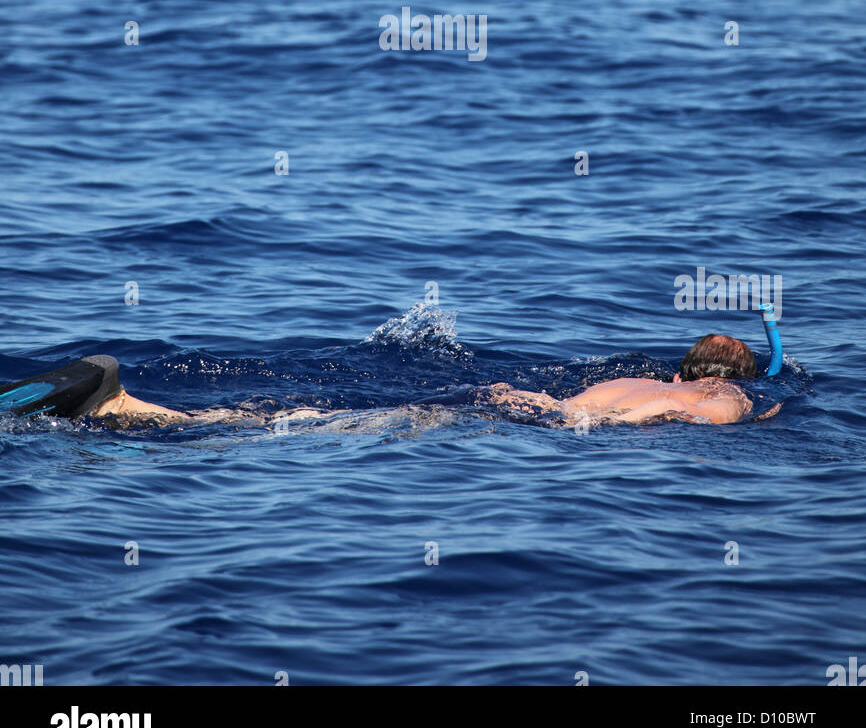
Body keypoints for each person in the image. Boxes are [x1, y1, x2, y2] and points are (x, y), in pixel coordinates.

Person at [1, 333, 779, 428]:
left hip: (516, 401)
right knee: (310, 431)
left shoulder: (644, 378)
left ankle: (133, 404)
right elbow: (714, 409)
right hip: (533, 426)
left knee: (317, 415)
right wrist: (766, 406)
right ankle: (133, 414)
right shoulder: (721, 399)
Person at [483, 334, 779, 426]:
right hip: (616, 425)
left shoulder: (630, 381)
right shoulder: (729, 393)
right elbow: (672, 405)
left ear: (678, 376)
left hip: (551, 408)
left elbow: (561, 407)